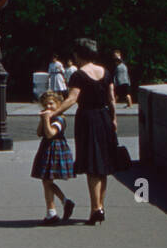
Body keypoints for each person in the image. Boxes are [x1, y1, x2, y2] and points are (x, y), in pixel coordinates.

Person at [43, 38, 119, 225]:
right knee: (103, 166)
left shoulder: (78, 75)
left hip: (88, 118)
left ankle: (95, 210)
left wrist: (54, 113)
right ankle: (101, 206)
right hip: (104, 117)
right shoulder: (105, 72)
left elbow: (72, 99)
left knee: (93, 165)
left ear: (79, 54)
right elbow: (111, 98)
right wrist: (114, 119)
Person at [31, 91, 76, 224]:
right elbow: (39, 133)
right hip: (46, 149)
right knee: (46, 180)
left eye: (51, 104)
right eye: (45, 105)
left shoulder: (60, 119)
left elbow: (50, 134)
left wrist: (46, 119)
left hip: (56, 149)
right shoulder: (49, 117)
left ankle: (57, 208)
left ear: (58, 104)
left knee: (47, 180)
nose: (48, 107)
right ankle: (53, 210)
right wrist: (42, 120)